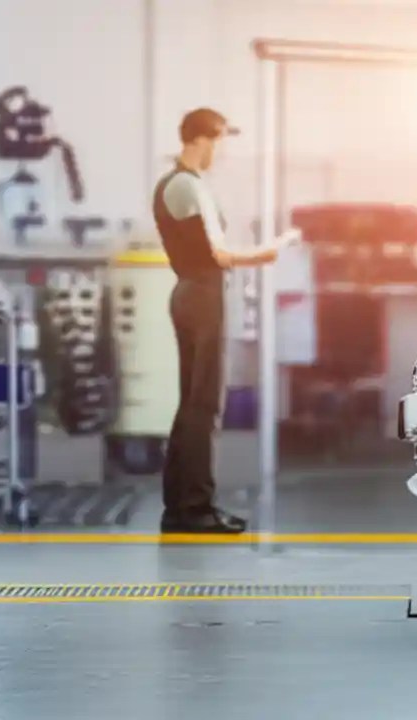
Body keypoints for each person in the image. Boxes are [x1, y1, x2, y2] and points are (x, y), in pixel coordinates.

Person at [154, 108, 282, 533]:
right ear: (202, 139)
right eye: (220, 142)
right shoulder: (188, 187)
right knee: (204, 404)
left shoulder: (175, 185)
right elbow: (218, 254)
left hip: (192, 292)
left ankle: (182, 505)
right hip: (203, 294)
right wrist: (266, 254)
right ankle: (196, 508)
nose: (220, 153)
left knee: (192, 404)